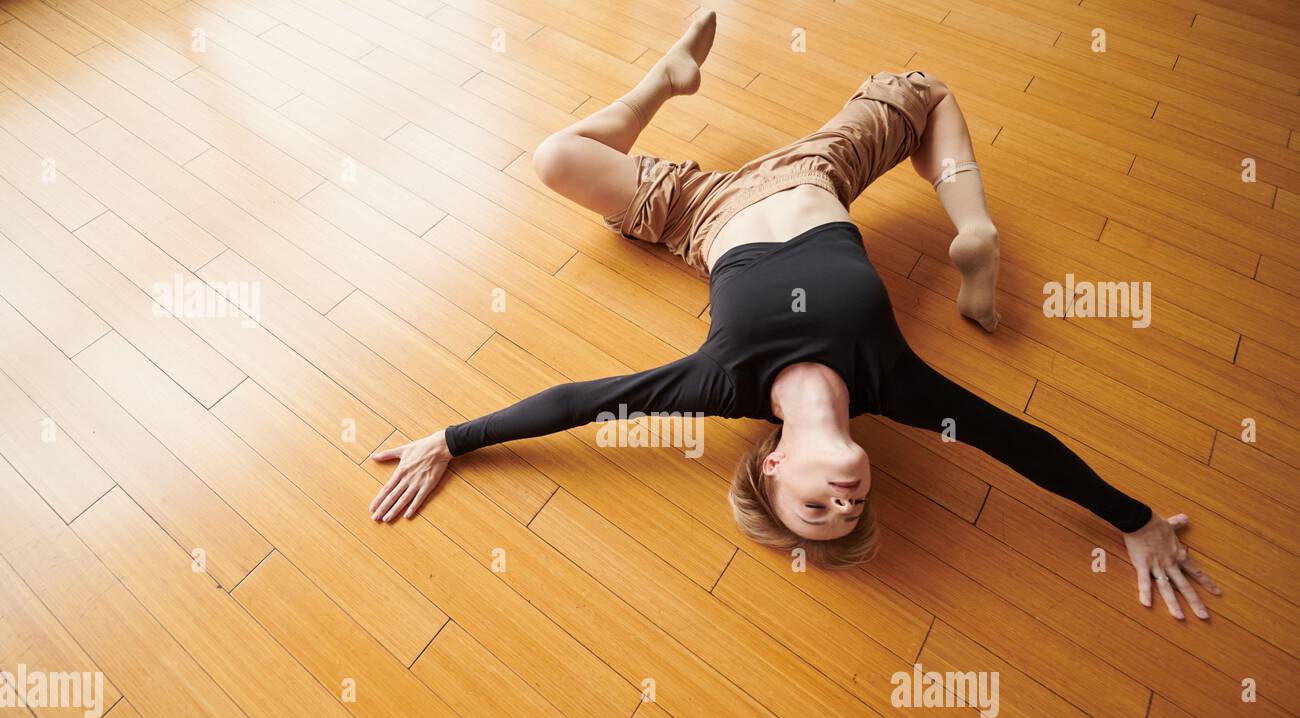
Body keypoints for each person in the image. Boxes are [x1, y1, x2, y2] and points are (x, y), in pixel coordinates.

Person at [368, 11, 1219, 621]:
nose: (845, 504)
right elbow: (1021, 444)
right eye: (854, 512)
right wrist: (1135, 521)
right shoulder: (897, 388)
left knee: (555, 158)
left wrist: (450, 440)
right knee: (924, 90)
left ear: (775, 471)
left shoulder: (719, 385)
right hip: (818, 175)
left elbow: (578, 405)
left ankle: (664, 80)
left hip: (706, 211)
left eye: (819, 511)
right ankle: (973, 230)